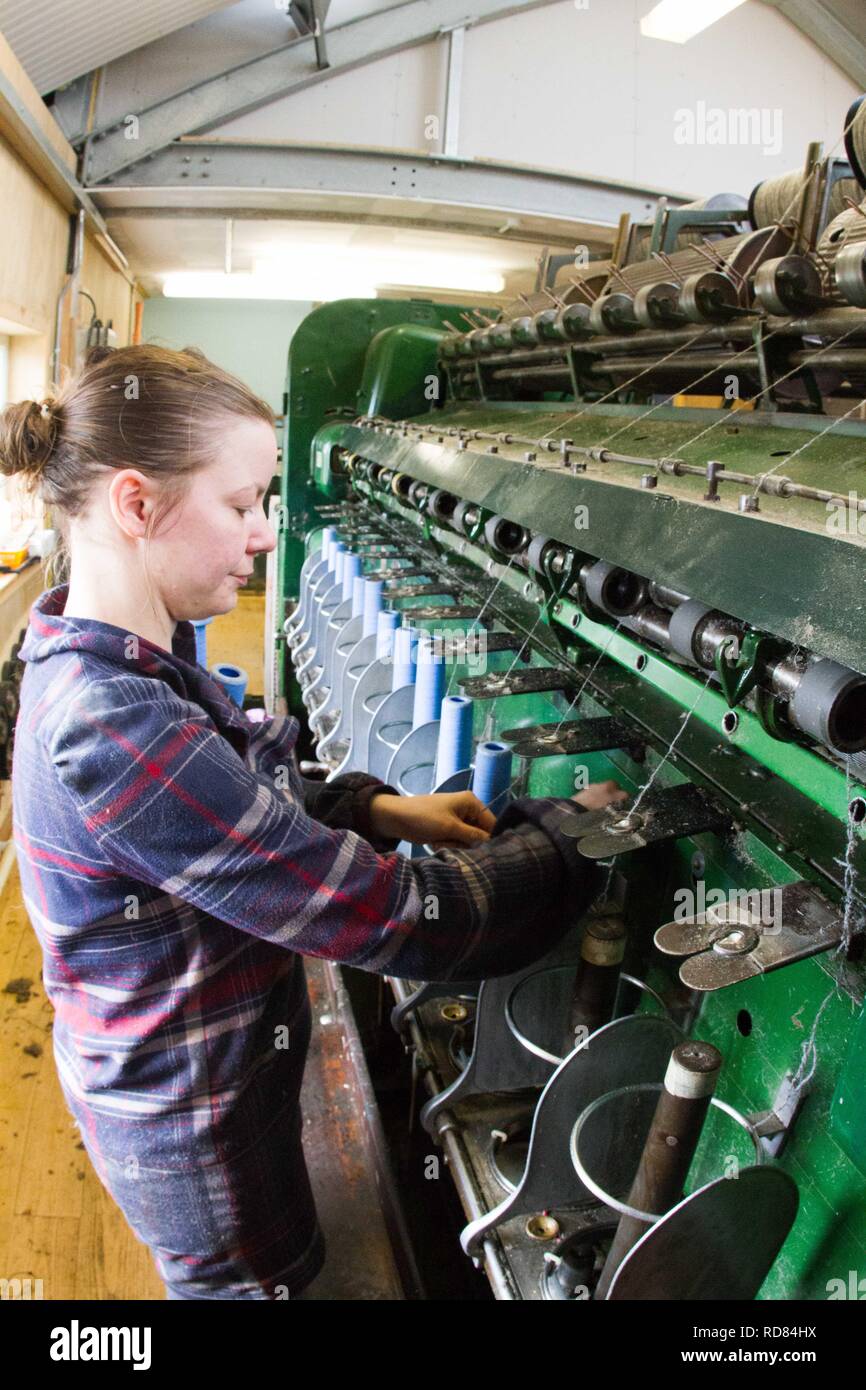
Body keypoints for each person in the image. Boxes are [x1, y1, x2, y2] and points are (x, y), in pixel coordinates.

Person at [2, 343, 626, 1301]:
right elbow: (396, 919)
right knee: (267, 1281)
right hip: (195, 1126)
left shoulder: (118, 659)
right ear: (136, 505)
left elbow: (238, 773)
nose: (263, 534)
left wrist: (374, 804)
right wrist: (573, 840)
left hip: (215, 1077)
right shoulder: (112, 723)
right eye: (243, 504)